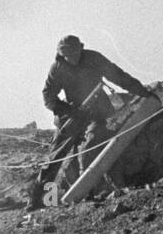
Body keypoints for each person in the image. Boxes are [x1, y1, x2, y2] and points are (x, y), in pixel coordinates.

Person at [27, 35, 156, 210]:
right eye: (67, 55)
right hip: (72, 114)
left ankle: (86, 193)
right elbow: (48, 97)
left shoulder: (94, 59)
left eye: (74, 53)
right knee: (55, 157)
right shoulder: (57, 68)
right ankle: (35, 201)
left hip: (97, 111)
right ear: (61, 55)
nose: (72, 58)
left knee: (92, 143)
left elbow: (118, 76)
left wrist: (141, 91)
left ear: (81, 48)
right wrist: (70, 111)